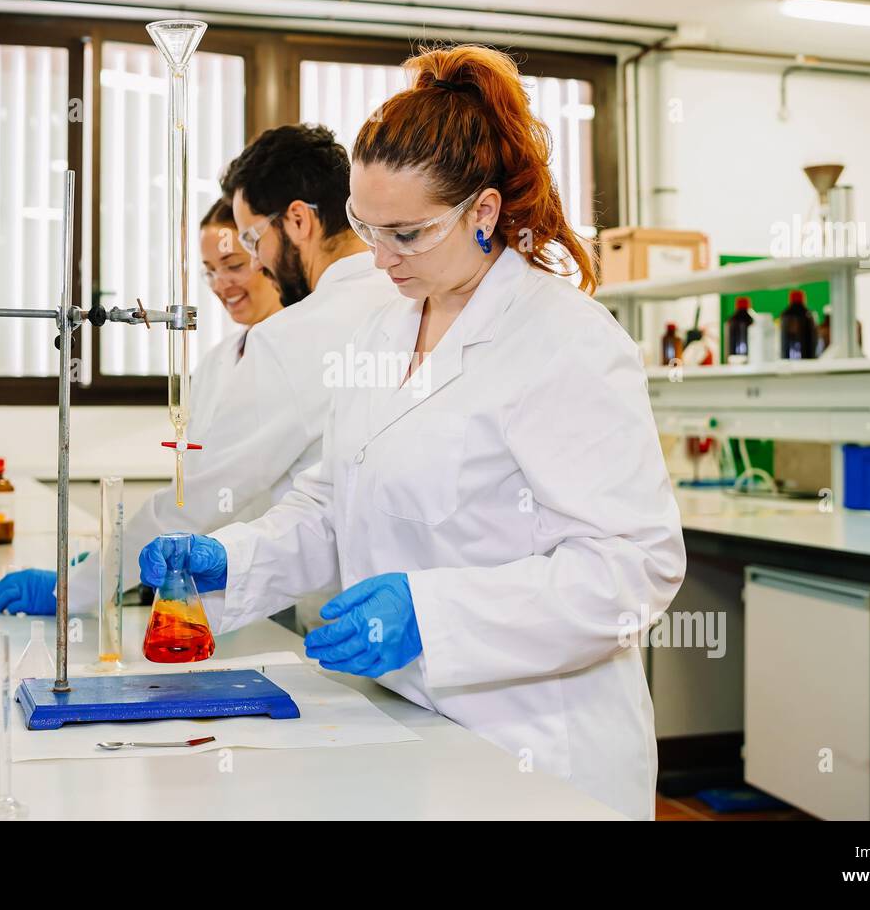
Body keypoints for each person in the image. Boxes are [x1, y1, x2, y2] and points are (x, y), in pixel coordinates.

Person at [139, 46, 685, 819]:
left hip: (538, 748)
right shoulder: (382, 332)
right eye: (366, 226)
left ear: (484, 212)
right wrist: (228, 559)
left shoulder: (565, 339)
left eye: (408, 234)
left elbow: (634, 568)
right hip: (409, 723)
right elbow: (333, 505)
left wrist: (434, 613)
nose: (381, 257)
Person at [0, 126, 394, 615]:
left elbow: (195, 498)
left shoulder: (297, 337)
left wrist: (78, 587)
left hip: (326, 610)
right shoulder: (405, 297)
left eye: (251, 240)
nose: (258, 262)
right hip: (394, 605)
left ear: (298, 220)